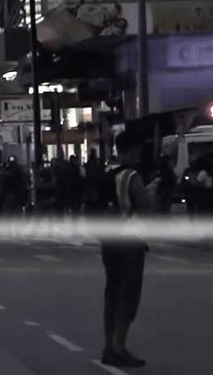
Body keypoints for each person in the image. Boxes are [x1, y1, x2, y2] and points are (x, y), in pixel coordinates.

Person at [98, 128, 154, 368]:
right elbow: (146, 209)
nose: (139, 157)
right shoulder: (130, 176)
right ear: (132, 150)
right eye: (138, 152)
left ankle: (109, 346)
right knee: (128, 293)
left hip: (107, 240)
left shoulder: (106, 172)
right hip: (129, 240)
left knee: (112, 291)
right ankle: (119, 348)